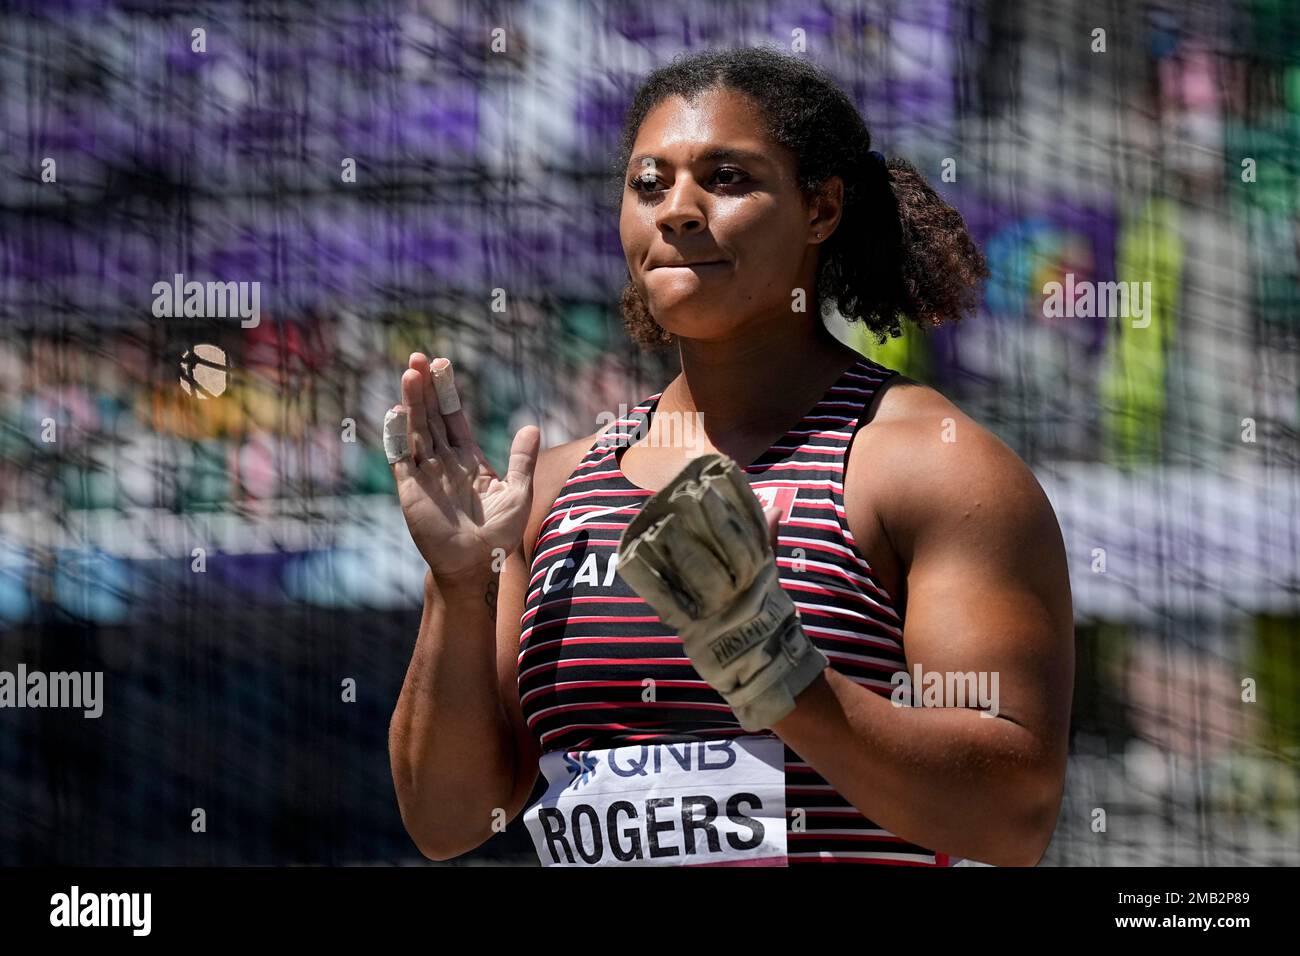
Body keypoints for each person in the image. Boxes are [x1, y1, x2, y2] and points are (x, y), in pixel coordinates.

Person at [387, 47, 1073, 867]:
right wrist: (458, 587)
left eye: (727, 178)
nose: (677, 209)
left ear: (820, 209)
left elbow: (1011, 818)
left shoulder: (927, 468)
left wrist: (773, 670)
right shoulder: (555, 491)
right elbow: (447, 821)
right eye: (650, 184)